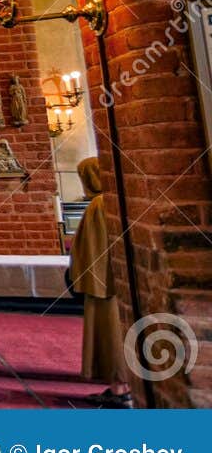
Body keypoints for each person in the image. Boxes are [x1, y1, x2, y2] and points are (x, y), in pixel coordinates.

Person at [69, 156, 131, 407]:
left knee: (110, 335)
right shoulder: (113, 201)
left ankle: (120, 389)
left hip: (103, 283)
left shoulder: (99, 205)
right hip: (112, 281)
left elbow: (91, 249)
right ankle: (121, 387)